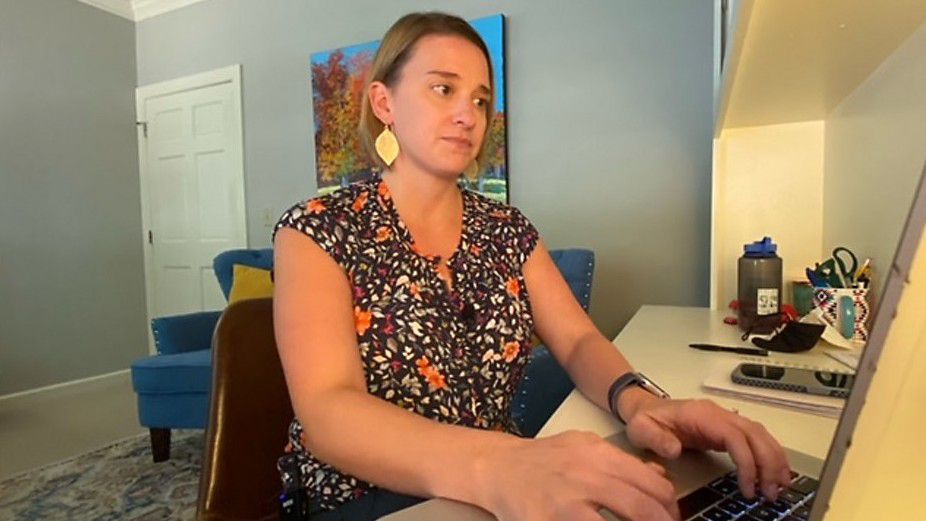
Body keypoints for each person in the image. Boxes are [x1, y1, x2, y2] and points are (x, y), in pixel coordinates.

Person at [273, 11, 791, 521]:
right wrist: (500, 465)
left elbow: (579, 340)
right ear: (384, 102)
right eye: (443, 89)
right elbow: (327, 411)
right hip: (367, 499)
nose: (468, 114)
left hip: (501, 481)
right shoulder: (318, 229)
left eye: (480, 99)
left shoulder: (507, 229)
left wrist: (639, 401)